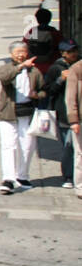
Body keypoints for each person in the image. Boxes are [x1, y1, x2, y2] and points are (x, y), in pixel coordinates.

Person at [0, 43, 46, 194]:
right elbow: (4, 78)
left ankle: (22, 175)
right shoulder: (6, 68)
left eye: (23, 52)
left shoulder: (34, 71)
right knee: (9, 145)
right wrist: (20, 67)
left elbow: (43, 90)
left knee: (28, 145)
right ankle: (8, 179)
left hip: (27, 112)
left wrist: (36, 95)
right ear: (11, 54)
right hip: (8, 113)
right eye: (17, 52)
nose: (21, 55)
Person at [44, 38, 80, 189]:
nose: (73, 54)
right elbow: (48, 90)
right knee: (68, 146)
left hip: (80, 111)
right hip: (65, 113)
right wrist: (60, 80)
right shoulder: (56, 68)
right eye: (70, 52)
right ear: (63, 53)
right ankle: (68, 176)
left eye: (74, 51)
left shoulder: (79, 66)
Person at [23, 7, 61, 76]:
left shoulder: (32, 31)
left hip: (34, 66)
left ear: (37, 19)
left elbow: (24, 45)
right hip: (51, 66)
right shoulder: (54, 32)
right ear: (49, 19)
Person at [65, 49, 82, 198]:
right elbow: (70, 98)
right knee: (80, 154)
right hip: (80, 120)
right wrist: (74, 120)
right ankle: (81, 187)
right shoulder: (77, 69)